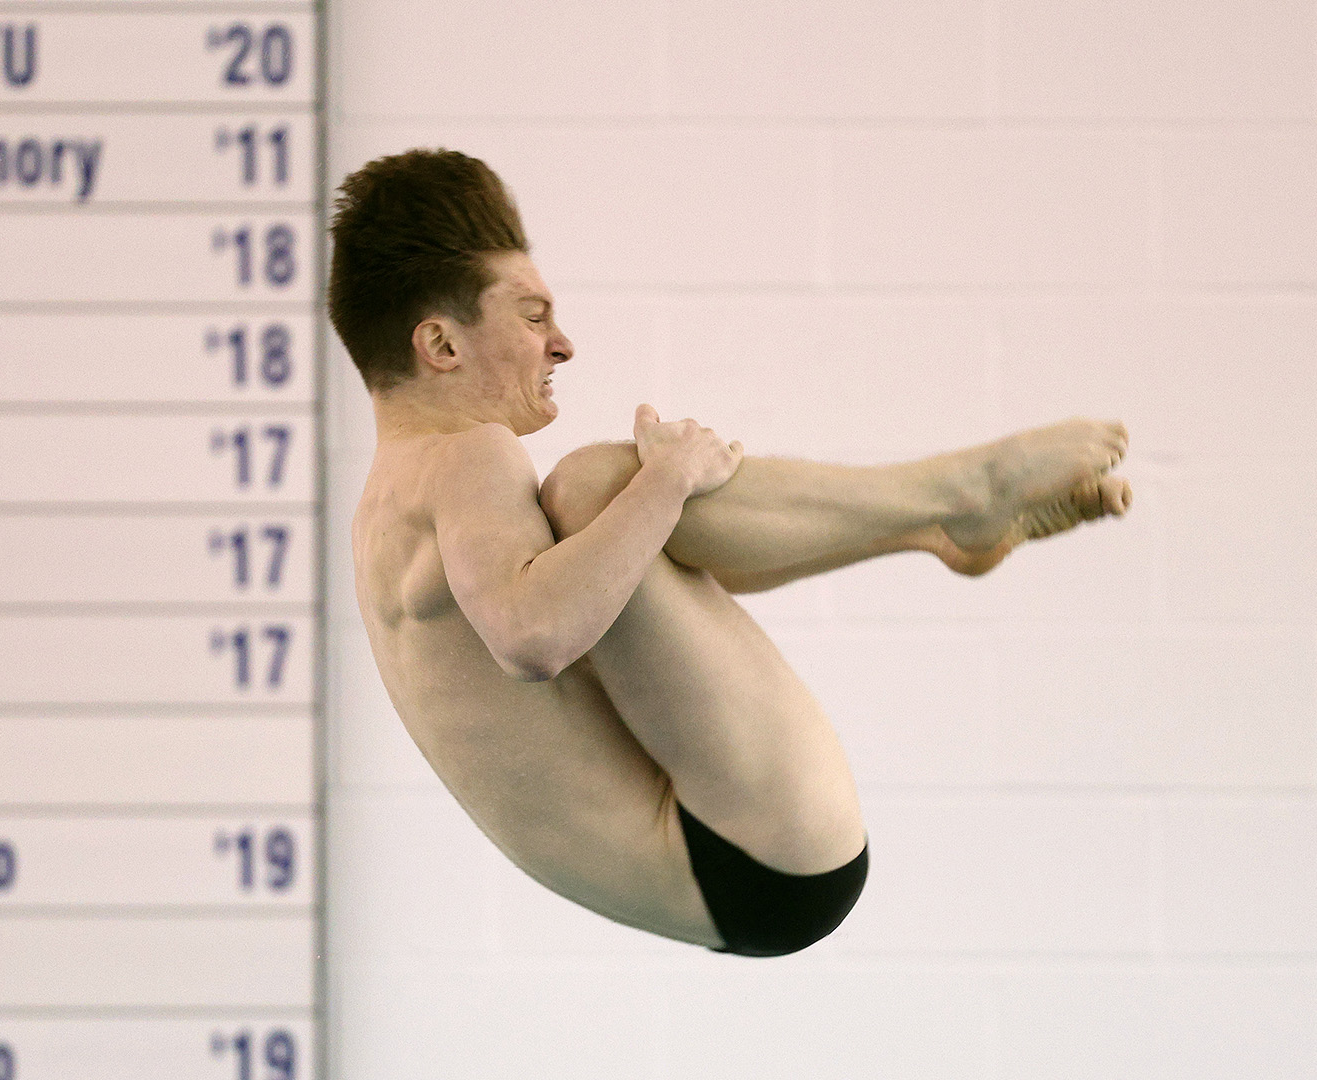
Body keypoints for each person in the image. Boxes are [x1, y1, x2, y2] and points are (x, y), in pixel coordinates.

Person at [329, 148, 1131, 957]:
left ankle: (925, 528)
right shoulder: (467, 457)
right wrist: (668, 479)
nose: (562, 345)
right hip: (753, 838)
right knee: (601, 484)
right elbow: (531, 637)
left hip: (733, 881)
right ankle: (961, 490)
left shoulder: (384, 510)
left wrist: (661, 503)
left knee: (623, 533)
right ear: (440, 343)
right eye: (532, 317)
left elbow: (620, 597)